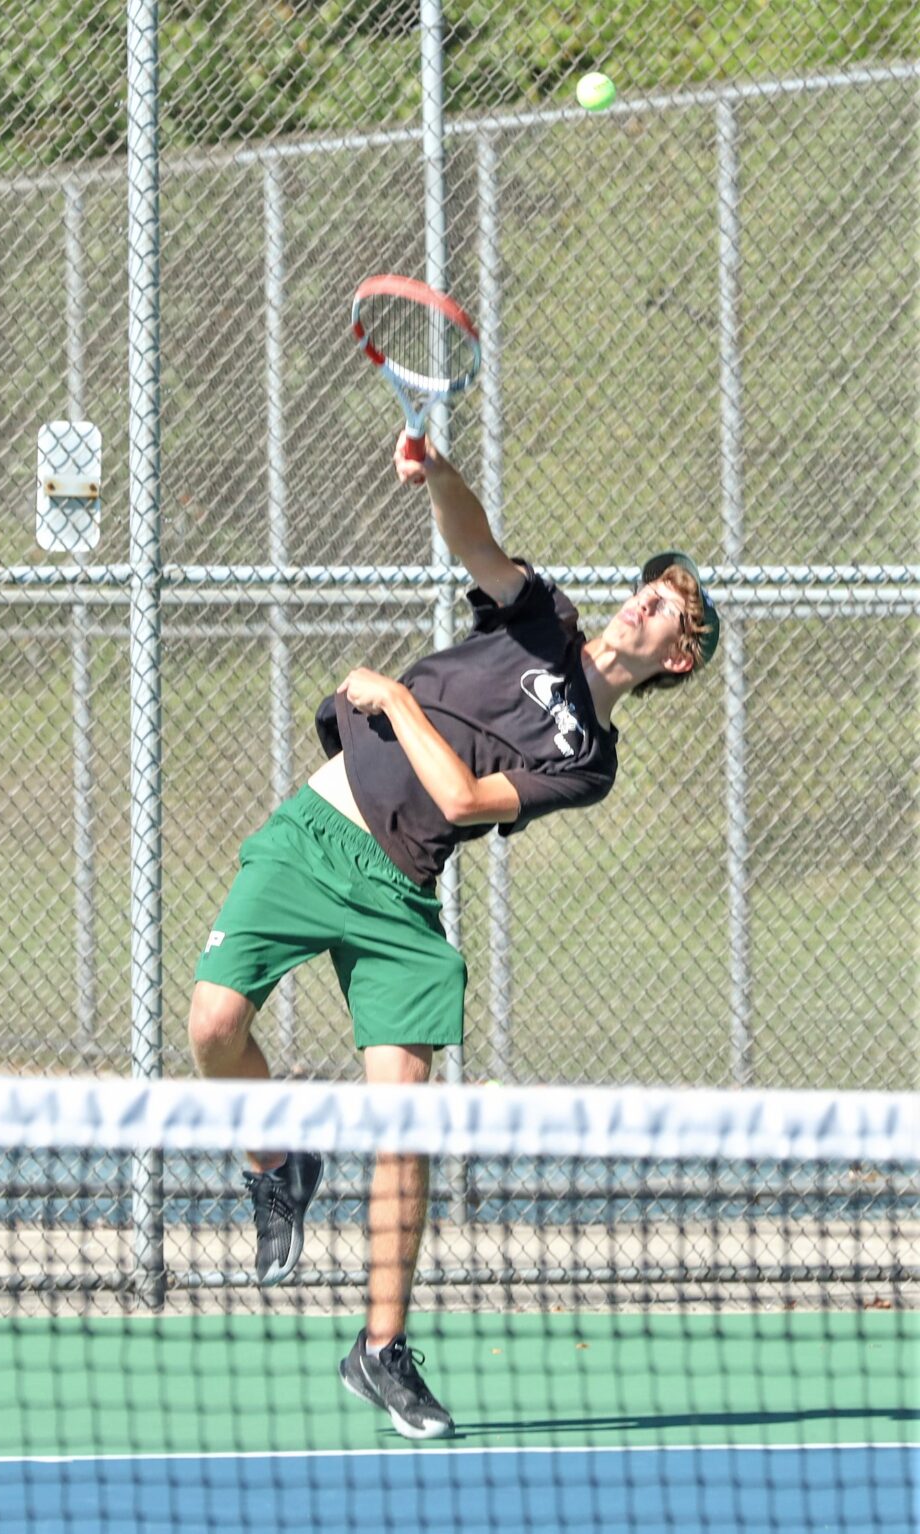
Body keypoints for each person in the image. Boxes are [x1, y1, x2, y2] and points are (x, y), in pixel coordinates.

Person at [188, 431, 719, 1439]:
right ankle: (277, 1164)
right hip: (313, 836)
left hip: (403, 900)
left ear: (677, 654)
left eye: (670, 604)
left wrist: (393, 696)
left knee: (407, 1125)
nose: (646, 598)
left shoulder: (590, 758)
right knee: (213, 1024)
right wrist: (438, 470)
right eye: (651, 586)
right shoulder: (542, 618)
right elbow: (477, 542)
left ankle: (380, 1347)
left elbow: (468, 796)